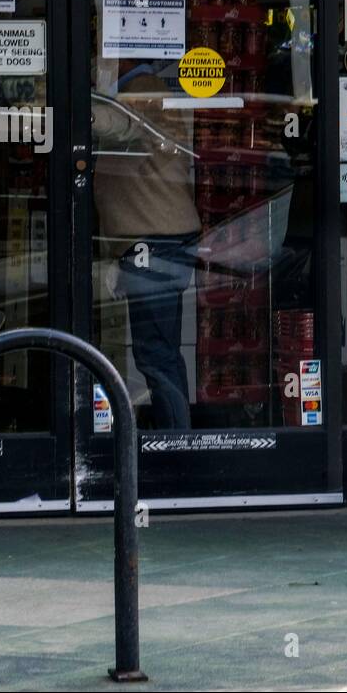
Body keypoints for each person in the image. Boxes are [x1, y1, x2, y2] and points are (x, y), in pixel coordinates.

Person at [92, 59, 200, 430]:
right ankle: (175, 436)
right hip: (158, 239)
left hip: (154, 240)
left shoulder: (142, 89)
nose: (94, 59)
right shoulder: (143, 89)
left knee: (156, 354)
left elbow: (118, 124)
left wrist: (71, 101)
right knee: (161, 350)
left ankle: (176, 444)